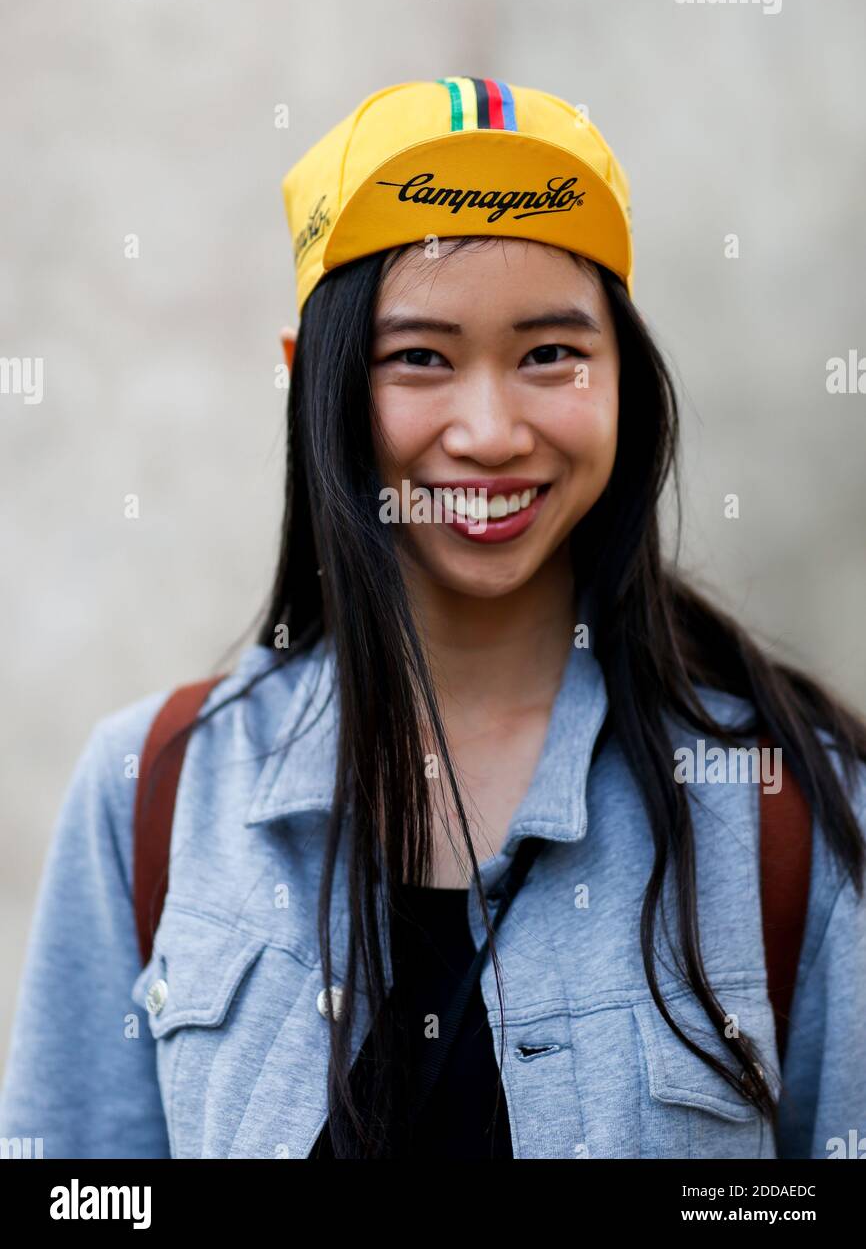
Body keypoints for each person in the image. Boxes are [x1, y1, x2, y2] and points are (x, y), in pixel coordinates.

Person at [1, 76, 864, 1161]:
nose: (490, 430)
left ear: (622, 379)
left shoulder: (790, 818)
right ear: (306, 375)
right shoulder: (153, 794)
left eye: (549, 352)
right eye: (420, 358)